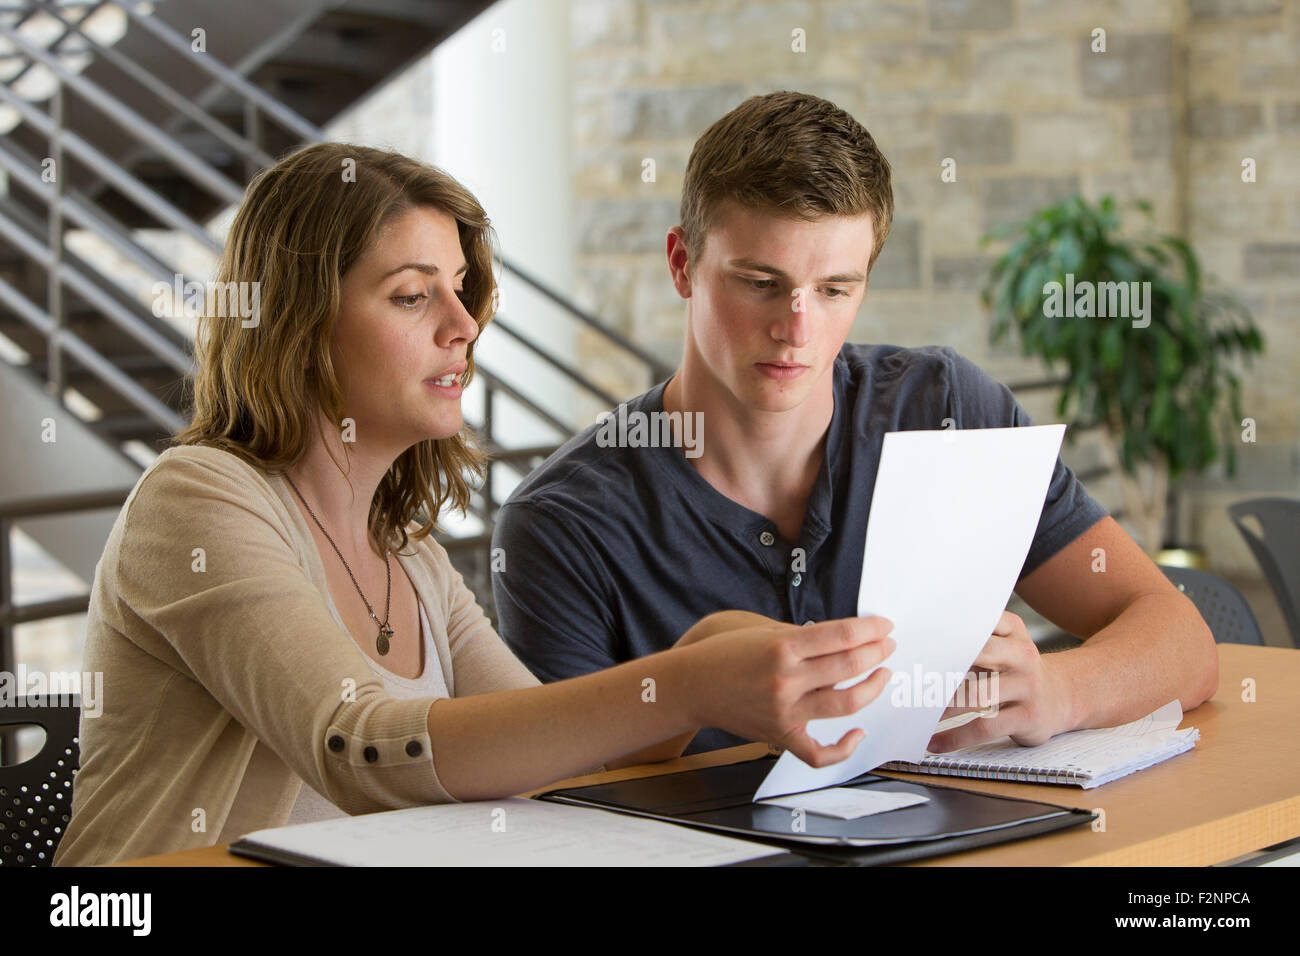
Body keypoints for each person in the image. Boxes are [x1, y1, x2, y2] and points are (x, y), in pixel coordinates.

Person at [52, 142, 897, 866]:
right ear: (299, 324)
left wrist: (705, 657)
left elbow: (550, 769)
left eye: (461, 289)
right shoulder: (198, 497)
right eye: (414, 295)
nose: (464, 324)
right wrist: (682, 686)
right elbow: (364, 749)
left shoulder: (408, 553)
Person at [491, 91, 1218, 765]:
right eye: (759, 283)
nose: (795, 330)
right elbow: (564, 803)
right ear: (683, 264)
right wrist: (690, 690)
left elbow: (1182, 638)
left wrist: (1060, 692)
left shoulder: (945, 411)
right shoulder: (560, 525)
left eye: (835, 289)